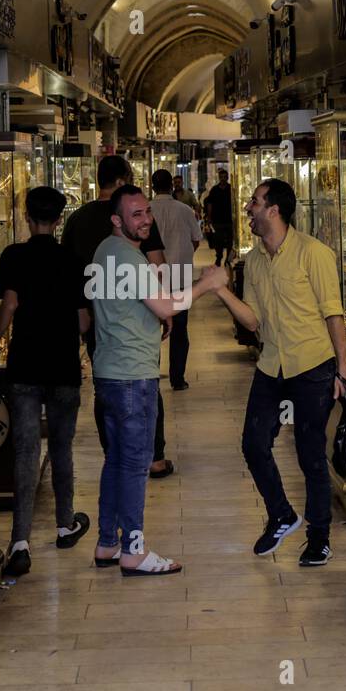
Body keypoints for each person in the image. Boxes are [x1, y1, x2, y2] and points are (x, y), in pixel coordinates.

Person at [208, 178, 346, 567]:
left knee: (310, 455)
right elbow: (253, 321)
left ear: (273, 210)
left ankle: (319, 538)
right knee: (253, 444)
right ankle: (282, 514)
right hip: (271, 363)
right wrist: (222, 292)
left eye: (254, 202)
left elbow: (333, 312)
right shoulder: (254, 261)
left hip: (312, 365)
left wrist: (344, 367)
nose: (248, 210)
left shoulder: (314, 253)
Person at [89, 184, 226, 575]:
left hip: (110, 374)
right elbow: (167, 305)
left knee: (116, 460)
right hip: (133, 377)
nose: (146, 219)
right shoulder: (128, 259)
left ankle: (107, 543)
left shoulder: (107, 251)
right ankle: (133, 550)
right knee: (134, 465)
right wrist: (208, 285)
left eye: (146, 211)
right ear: (117, 220)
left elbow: (141, 306)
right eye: (136, 214)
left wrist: (155, 315)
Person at [0, 187, 91, 577]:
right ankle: (65, 525)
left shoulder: (13, 256)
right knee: (62, 449)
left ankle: (20, 542)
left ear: (28, 218)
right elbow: (83, 321)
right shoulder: (72, 260)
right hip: (62, 368)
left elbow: (9, 306)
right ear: (59, 220)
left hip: (24, 369)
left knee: (26, 453)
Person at [62, 155, 175, 478]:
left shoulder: (77, 219)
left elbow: (69, 272)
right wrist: (164, 308)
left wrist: (81, 311)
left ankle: (114, 451)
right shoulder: (133, 217)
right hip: (137, 313)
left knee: (105, 383)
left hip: (94, 313)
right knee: (145, 380)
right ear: (124, 179)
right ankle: (153, 456)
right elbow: (157, 263)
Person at [148, 169, 201, 390]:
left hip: (152, 280)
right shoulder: (184, 210)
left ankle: (151, 376)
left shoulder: (146, 210)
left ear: (152, 186)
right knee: (180, 329)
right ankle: (177, 378)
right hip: (179, 277)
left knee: (150, 330)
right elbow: (196, 239)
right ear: (172, 186)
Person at [202, 167, 235, 266]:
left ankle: (228, 258)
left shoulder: (231, 189)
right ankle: (219, 256)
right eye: (221, 177)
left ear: (227, 177)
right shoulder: (215, 190)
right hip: (218, 220)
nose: (223, 178)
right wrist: (209, 218)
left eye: (225, 177)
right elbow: (210, 204)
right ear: (219, 178)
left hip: (229, 219)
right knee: (218, 240)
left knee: (230, 240)